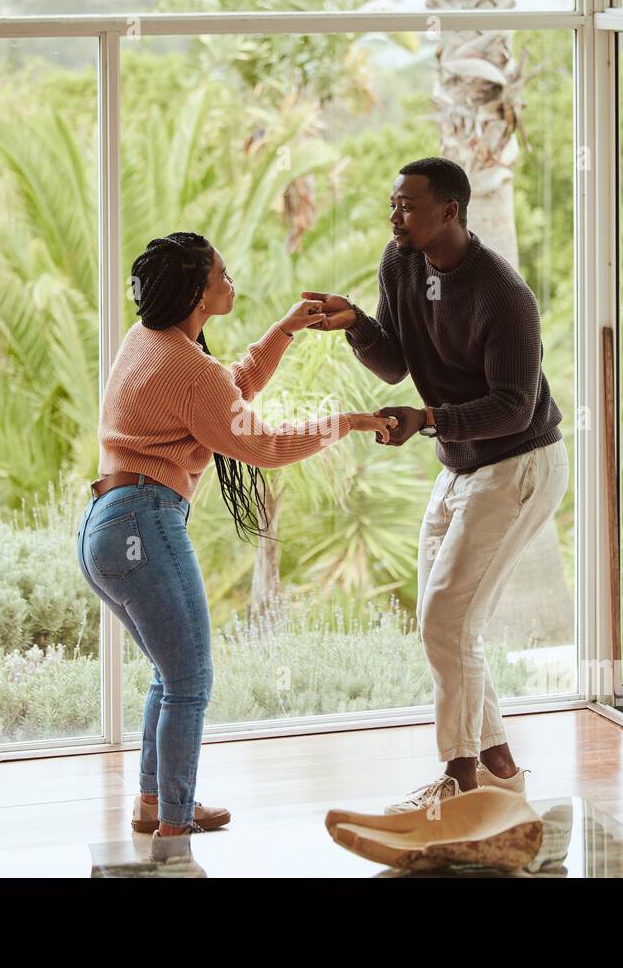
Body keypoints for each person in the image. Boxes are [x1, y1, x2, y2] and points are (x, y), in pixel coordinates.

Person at [77, 232, 396, 837]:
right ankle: (174, 832)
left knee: (170, 676)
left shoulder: (146, 342)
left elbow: (230, 390)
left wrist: (284, 330)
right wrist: (350, 422)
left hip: (105, 528)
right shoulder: (187, 368)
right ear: (199, 292)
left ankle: (156, 805)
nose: (231, 280)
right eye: (222, 274)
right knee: (190, 681)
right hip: (146, 519)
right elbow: (264, 444)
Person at [307, 157, 569, 813]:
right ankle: (499, 771)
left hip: (519, 464)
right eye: (393, 204)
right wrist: (358, 327)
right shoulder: (400, 263)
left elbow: (513, 405)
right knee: (453, 628)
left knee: (445, 622)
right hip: (460, 464)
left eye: (408, 206)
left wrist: (429, 419)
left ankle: (460, 778)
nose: (395, 216)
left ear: (450, 211)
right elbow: (396, 363)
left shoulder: (503, 296)